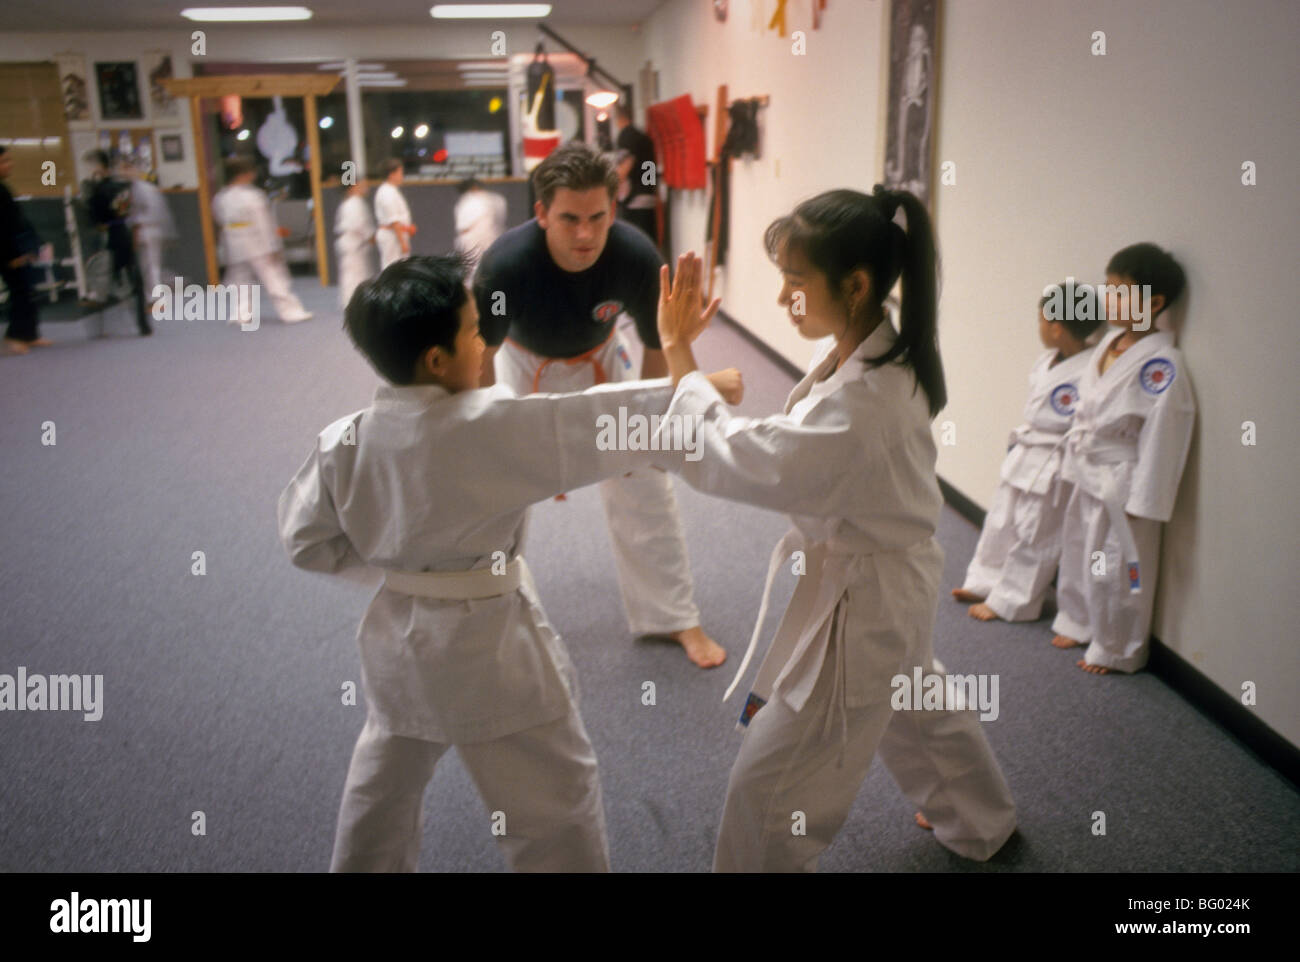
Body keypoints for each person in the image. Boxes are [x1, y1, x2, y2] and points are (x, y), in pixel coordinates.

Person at [277, 253, 740, 872]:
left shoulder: (344, 440)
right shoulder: (491, 425)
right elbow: (594, 419)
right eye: (474, 332)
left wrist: (402, 564)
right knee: (553, 802)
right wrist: (697, 388)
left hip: (397, 647)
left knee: (381, 788)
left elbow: (306, 540)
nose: (484, 345)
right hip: (491, 652)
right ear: (437, 360)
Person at [653, 188, 1017, 872]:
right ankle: (980, 819)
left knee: (770, 783)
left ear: (855, 285)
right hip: (891, 573)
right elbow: (788, 442)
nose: (783, 296)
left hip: (866, 597)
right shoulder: (874, 353)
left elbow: (736, 457)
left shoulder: (864, 400)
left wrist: (678, 354)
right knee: (913, 697)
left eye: (795, 280)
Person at [474, 141, 725, 668]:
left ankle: (672, 616)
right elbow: (481, 354)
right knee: (494, 491)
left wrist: (650, 428)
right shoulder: (505, 265)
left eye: (597, 217)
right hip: (520, 364)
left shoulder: (635, 257)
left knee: (644, 479)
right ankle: (485, 618)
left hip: (603, 359)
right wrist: (480, 427)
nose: (585, 234)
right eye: (569, 219)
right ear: (542, 213)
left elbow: (658, 346)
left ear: (613, 209)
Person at [1050, 244, 1194, 674]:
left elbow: (1164, 434)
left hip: (1123, 479)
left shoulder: (1162, 365)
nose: (1109, 300)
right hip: (1090, 466)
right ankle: (1078, 620)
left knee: (1115, 565)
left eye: (1121, 293)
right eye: (1108, 290)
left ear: (1155, 302)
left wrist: (1145, 501)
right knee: (1080, 549)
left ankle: (1115, 647)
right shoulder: (1108, 344)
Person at [952, 281, 1103, 622]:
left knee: (1035, 533)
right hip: (1027, 449)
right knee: (1001, 521)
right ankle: (985, 582)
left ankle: (1013, 601)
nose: (1039, 327)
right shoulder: (1046, 361)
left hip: (1054, 458)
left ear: (1056, 326)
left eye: (1040, 320)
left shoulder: (1090, 369)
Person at [211, 157, 312, 324]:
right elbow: (264, 223)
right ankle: (290, 311)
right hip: (256, 243)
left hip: (233, 242)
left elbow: (219, 218)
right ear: (244, 174)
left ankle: (242, 313)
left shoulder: (221, 197)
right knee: (273, 277)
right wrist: (273, 246)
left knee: (240, 280)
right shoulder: (253, 195)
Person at [84, 150, 151, 336]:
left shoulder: (98, 190)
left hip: (108, 237)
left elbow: (95, 219)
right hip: (125, 233)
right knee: (134, 279)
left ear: (100, 167)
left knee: (103, 280)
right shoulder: (123, 188)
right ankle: (143, 324)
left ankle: (102, 327)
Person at [0, 145, 48, 354]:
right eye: (4, 161)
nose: (9, 165)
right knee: (19, 291)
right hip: (8, 252)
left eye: (9, 160)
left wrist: (34, 244)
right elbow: (2, 228)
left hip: (18, 246)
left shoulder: (4, 188)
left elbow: (17, 221)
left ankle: (30, 334)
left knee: (27, 290)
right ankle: (14, 335)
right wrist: (11, 256)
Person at [125, 160, 176, 313]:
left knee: (151, 267)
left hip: (148, 230)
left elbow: (156, 213)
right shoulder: (136, 189)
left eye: (128, 170)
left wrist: (134, 224)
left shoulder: (143, 189)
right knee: (148, 267)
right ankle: (152, 299)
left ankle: (156, 300)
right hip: (145, 231)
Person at [613, 102, 658, 241]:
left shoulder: (626, 136)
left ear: (619, 118)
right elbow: (650, 167)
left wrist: (612, 189)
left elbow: (625, 166)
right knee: (649, 239)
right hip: (648, 196)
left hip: (635, 199)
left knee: (635, 240)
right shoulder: (644, 138)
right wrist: (649, 188)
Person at [334, 174, 375, 310]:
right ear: (353, 187)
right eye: (361, 184)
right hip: (352, 243)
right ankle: (351, 302)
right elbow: (360, 226)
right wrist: (371, 237)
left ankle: (356, 300)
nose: (365, 187)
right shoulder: (353, 204)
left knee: (358, 273)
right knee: (352, 275)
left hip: (354, 243)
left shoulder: (352, 202)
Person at [452, 177, 506, 281]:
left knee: (475, 270)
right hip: (483, 237)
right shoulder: (496, 199)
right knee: (477, 270)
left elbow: (462, 226)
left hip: (479, 237)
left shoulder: (471, 200)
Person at [373, 159, 415, 270]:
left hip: (396, 233)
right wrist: (402, 242)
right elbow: (394, 220)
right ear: (391, 175)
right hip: (392, 235)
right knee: (392, 267)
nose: (402, 176)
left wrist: (407, 229)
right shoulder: (387, 193)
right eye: (400, 173)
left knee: (400, 268)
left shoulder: (391, 190)